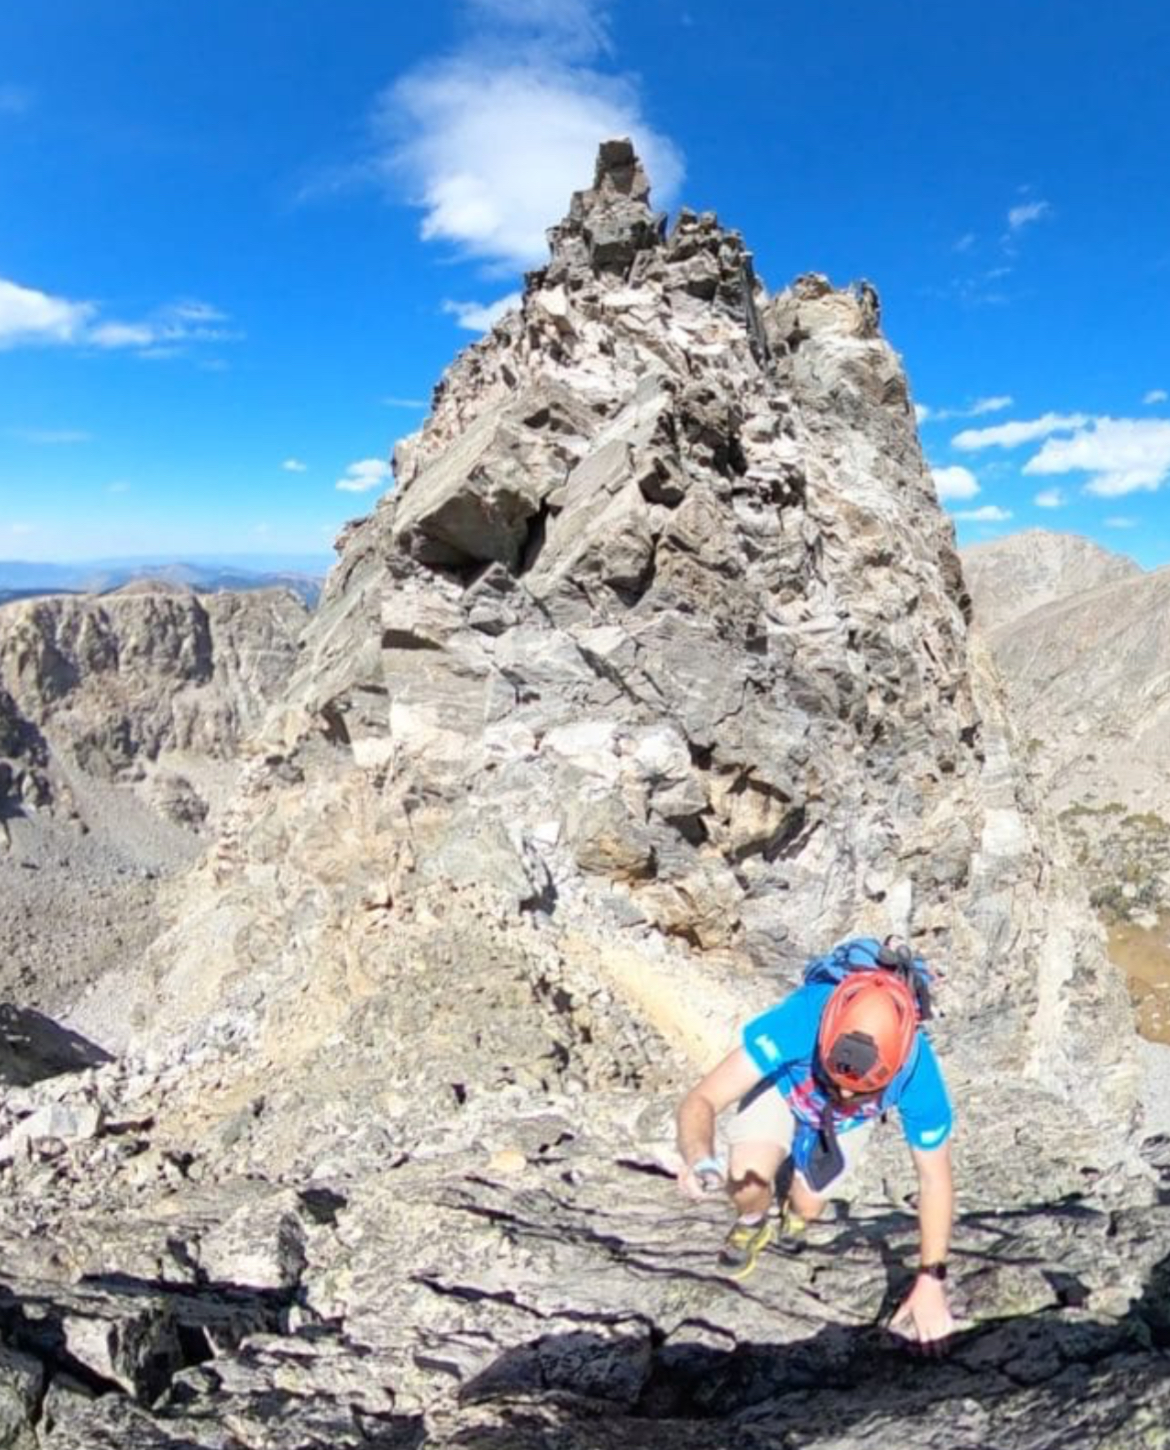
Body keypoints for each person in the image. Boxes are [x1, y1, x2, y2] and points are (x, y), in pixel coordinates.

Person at [675, 935, 956, 1351]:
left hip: (845, 1126)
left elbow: (935, 1181)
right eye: (834, 1080)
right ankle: (753, 1222)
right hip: (785, 1091)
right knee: (746, 1183)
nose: (841, 1096)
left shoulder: (919, 1073)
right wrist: (699, 1157)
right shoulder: (806, 1015)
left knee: (809, 1205)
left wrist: (931, 1279)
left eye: (857, 1092)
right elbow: (703, 1099)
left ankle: (795, 1216)